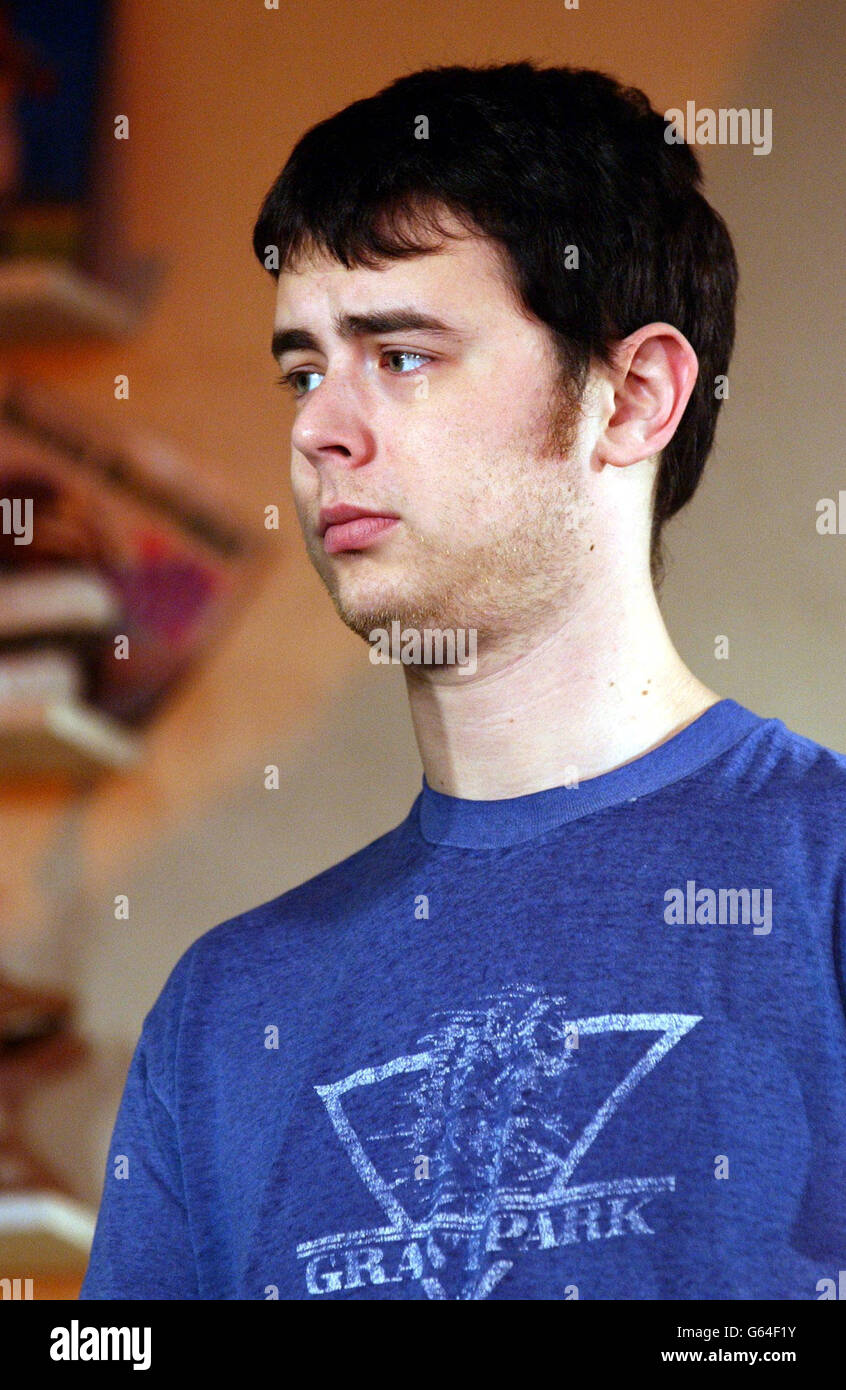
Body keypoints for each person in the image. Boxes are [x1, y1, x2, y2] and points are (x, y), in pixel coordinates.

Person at [81, 60, 846, 1301]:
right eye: (303, 368)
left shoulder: (826, 888)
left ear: (632, 398)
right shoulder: (223, 1012)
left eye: (403, 355)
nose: (320, 426)